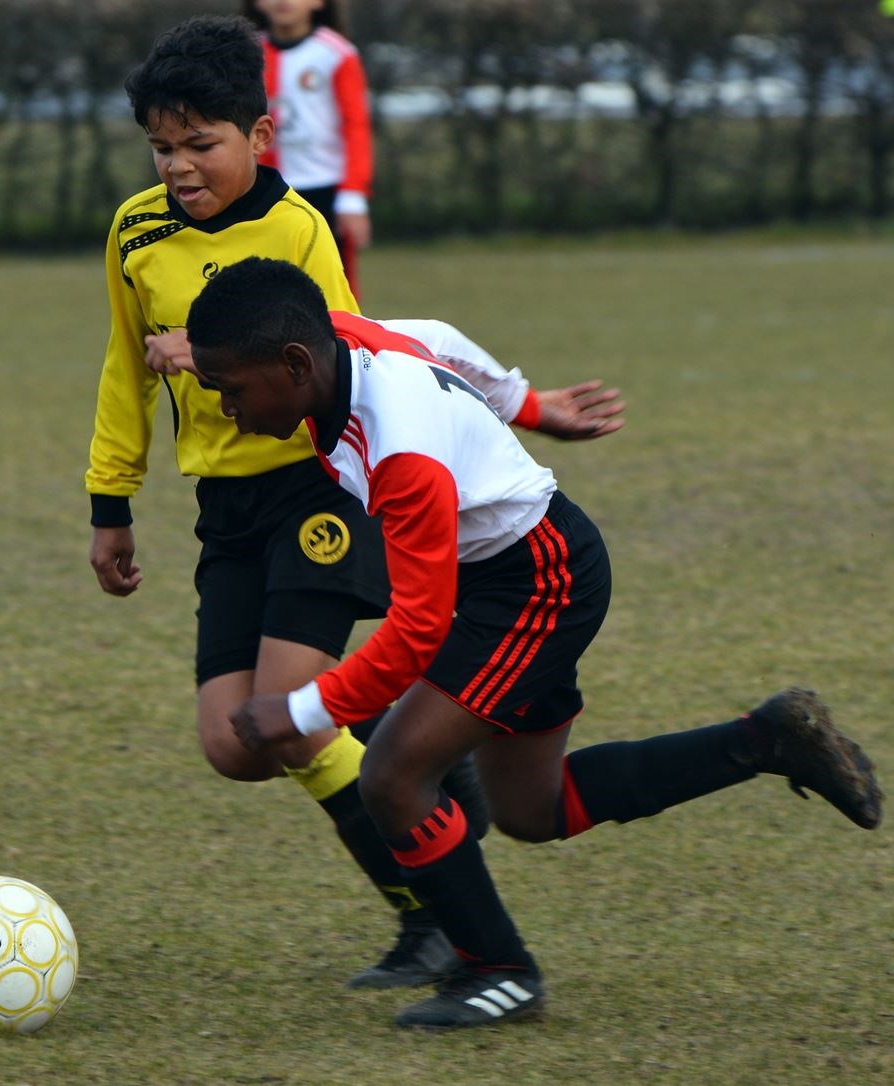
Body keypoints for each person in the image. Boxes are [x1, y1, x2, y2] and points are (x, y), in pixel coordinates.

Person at [183, 256, 884, 1031]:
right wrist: (530, 405)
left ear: (295, 363)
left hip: (535, 583)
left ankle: (501, 974)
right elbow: (439, 338)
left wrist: (306, 707)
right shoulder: (344, 341)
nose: (227, 409)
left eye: (232, 390)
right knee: (533, 808)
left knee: (390, 777)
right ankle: (769, 739)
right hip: (511, 571)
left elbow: (416, 630)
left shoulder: (400, 452)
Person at [86, 13, 488, 991]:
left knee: (293, 719)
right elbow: (121, 366)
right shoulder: (136, 232)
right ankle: (411, 755)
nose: (179, 166)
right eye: (162, 147)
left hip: (311, 489)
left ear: (259, 138)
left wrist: (214, 352)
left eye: (201, 144)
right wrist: (110, 499)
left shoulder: (297, 229)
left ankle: (442, 914)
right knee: (236, 745)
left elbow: (340, 349)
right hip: (223, 511)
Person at [242, 0, 372, 299]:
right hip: (264, 187)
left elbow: (356, 125)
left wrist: (353, 196)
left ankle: (343, 343)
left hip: (325, 187)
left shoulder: (336, 53)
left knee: (333, 286)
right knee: (266, 286)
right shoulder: (245, 54)